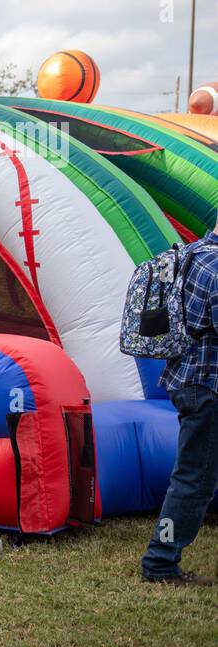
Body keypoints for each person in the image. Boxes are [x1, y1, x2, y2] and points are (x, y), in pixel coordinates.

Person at [141, 223, 218, 586]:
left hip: (191, 380)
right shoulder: (213, 267)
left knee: (195, 476)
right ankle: (160, 562)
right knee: (193, 480)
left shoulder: (193, 254)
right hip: (207, 387)